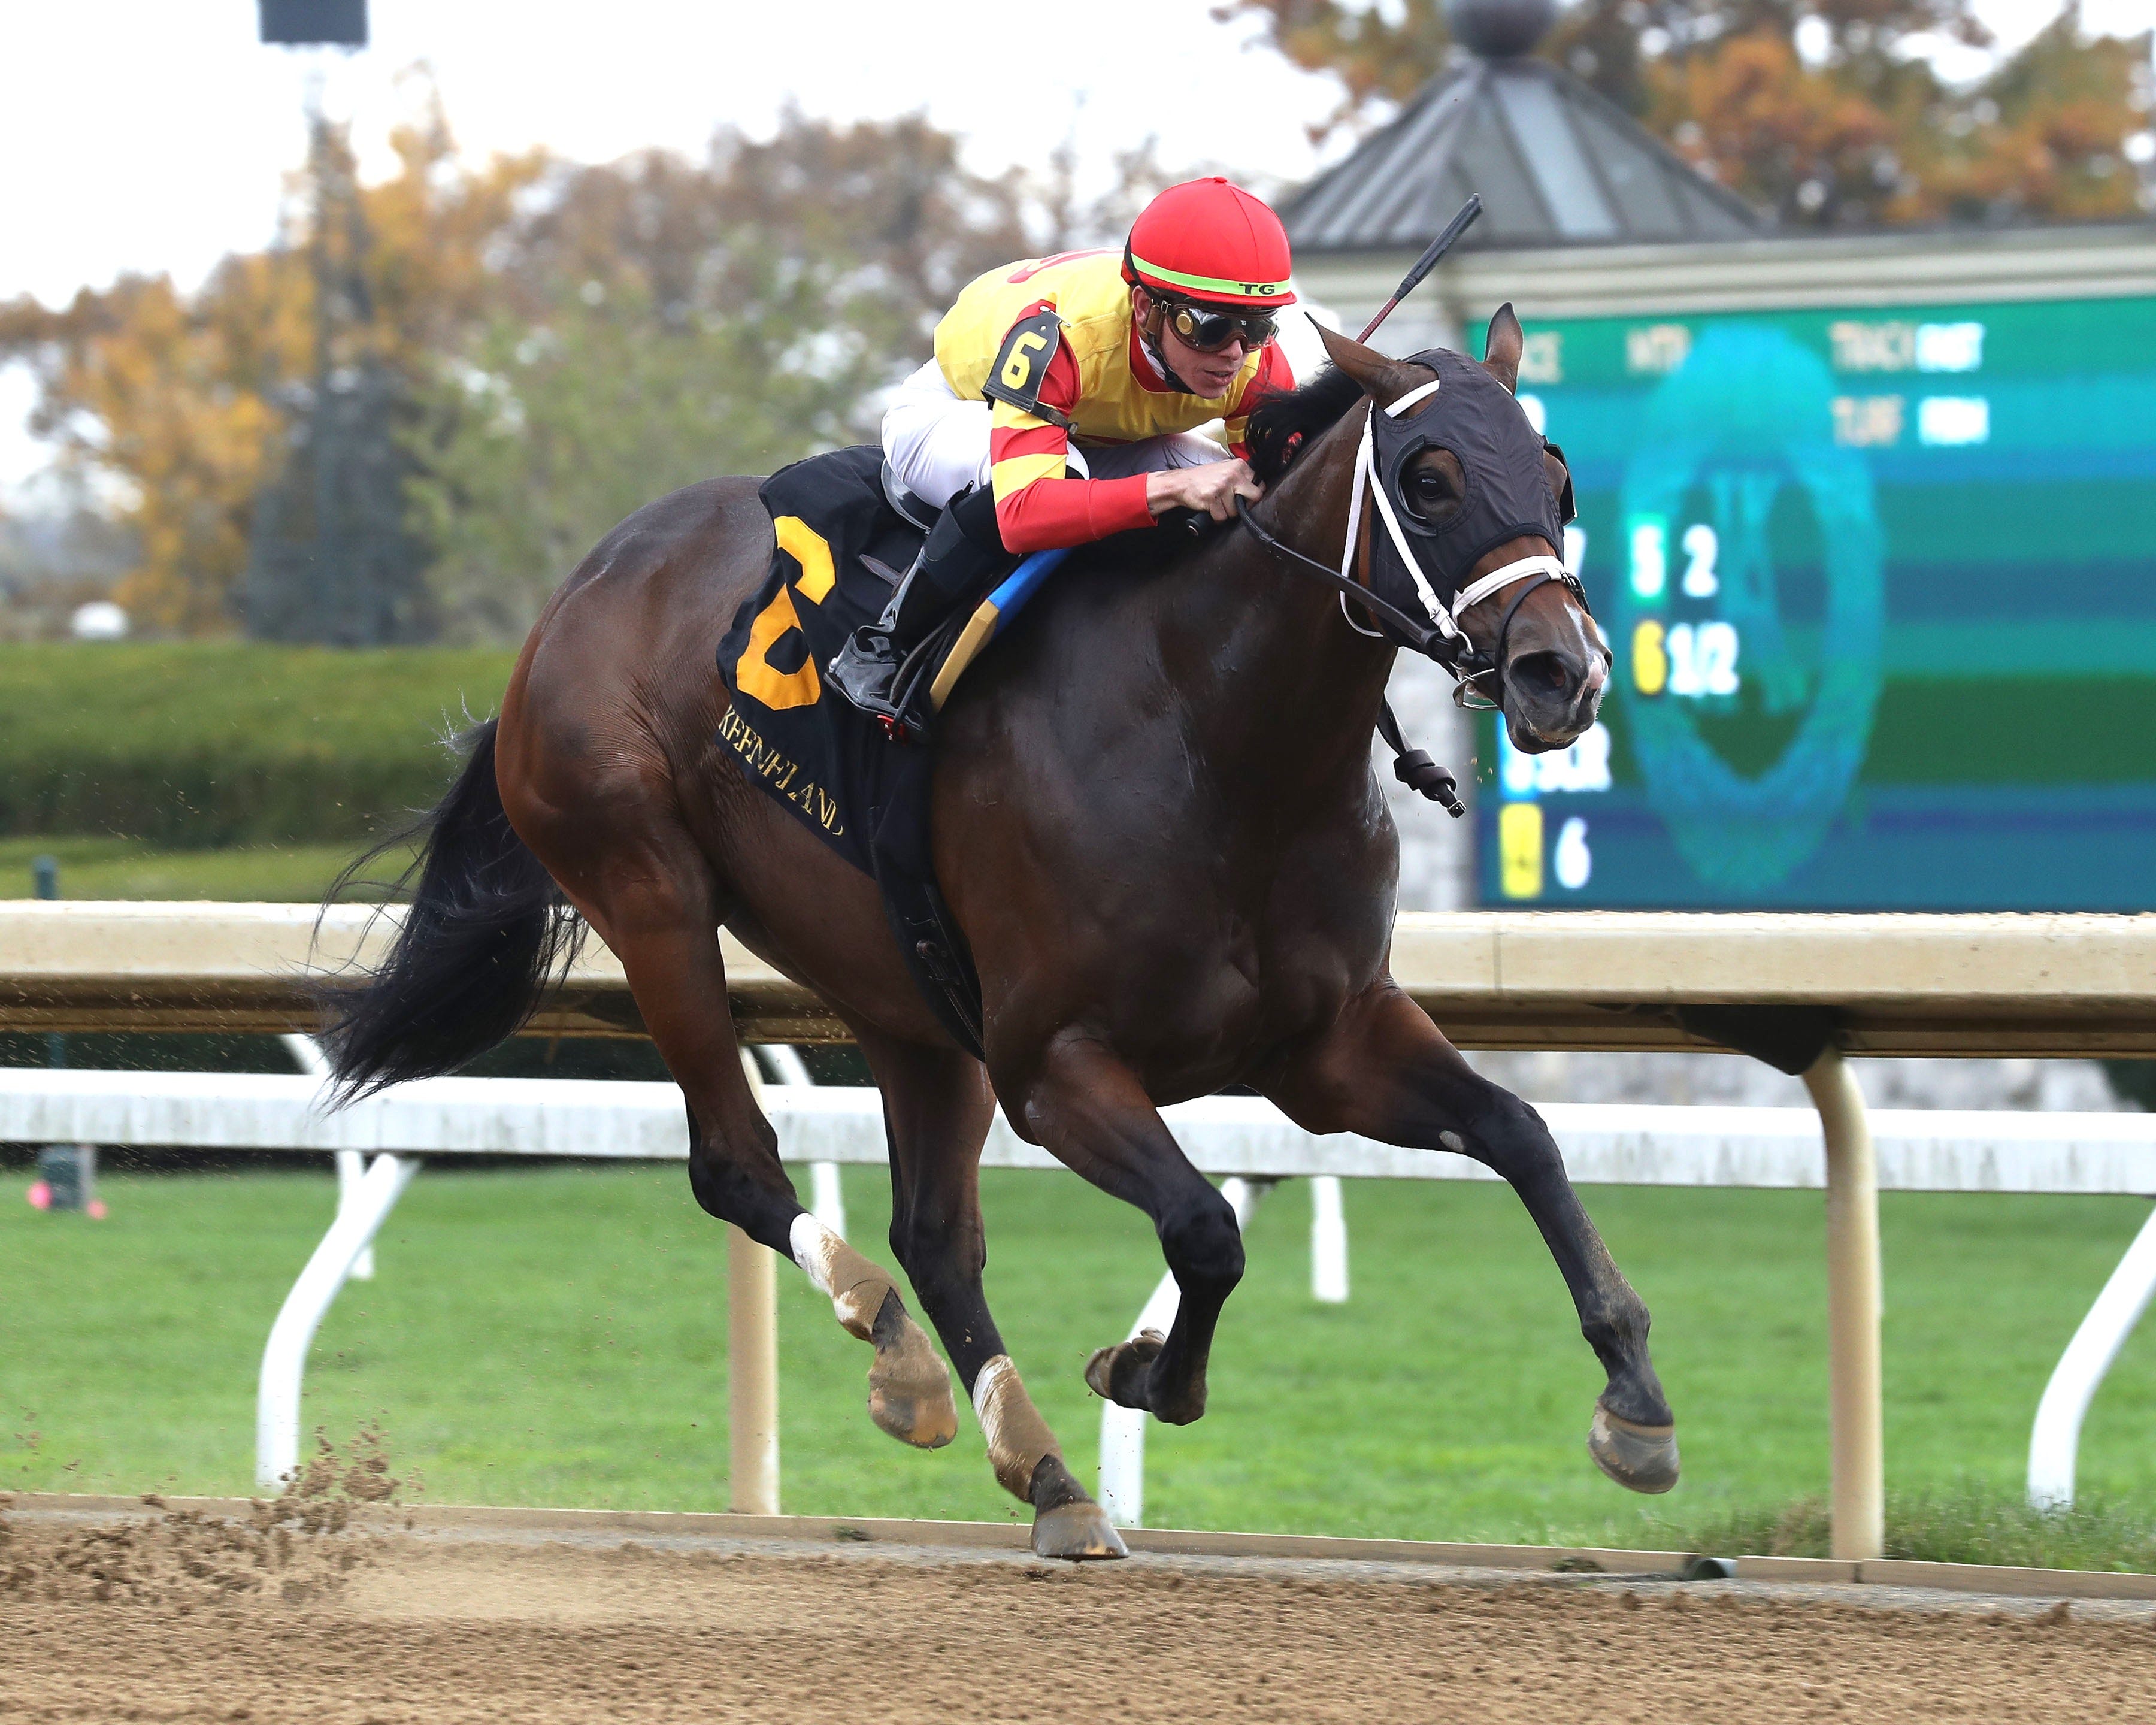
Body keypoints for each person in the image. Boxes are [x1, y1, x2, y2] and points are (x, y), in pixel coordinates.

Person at [826, 176, 1298, 722]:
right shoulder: (1060, 336)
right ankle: (881, 646)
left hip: (1094, 427)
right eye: (1210, 327)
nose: (1235, 354)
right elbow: (1025, 514)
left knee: (1228, 480)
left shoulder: (1256, 362)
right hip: (954, 409)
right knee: (1070, 477)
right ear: (1145, 307)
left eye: (1257, 328)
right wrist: (1169, 489)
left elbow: (1281, 483)